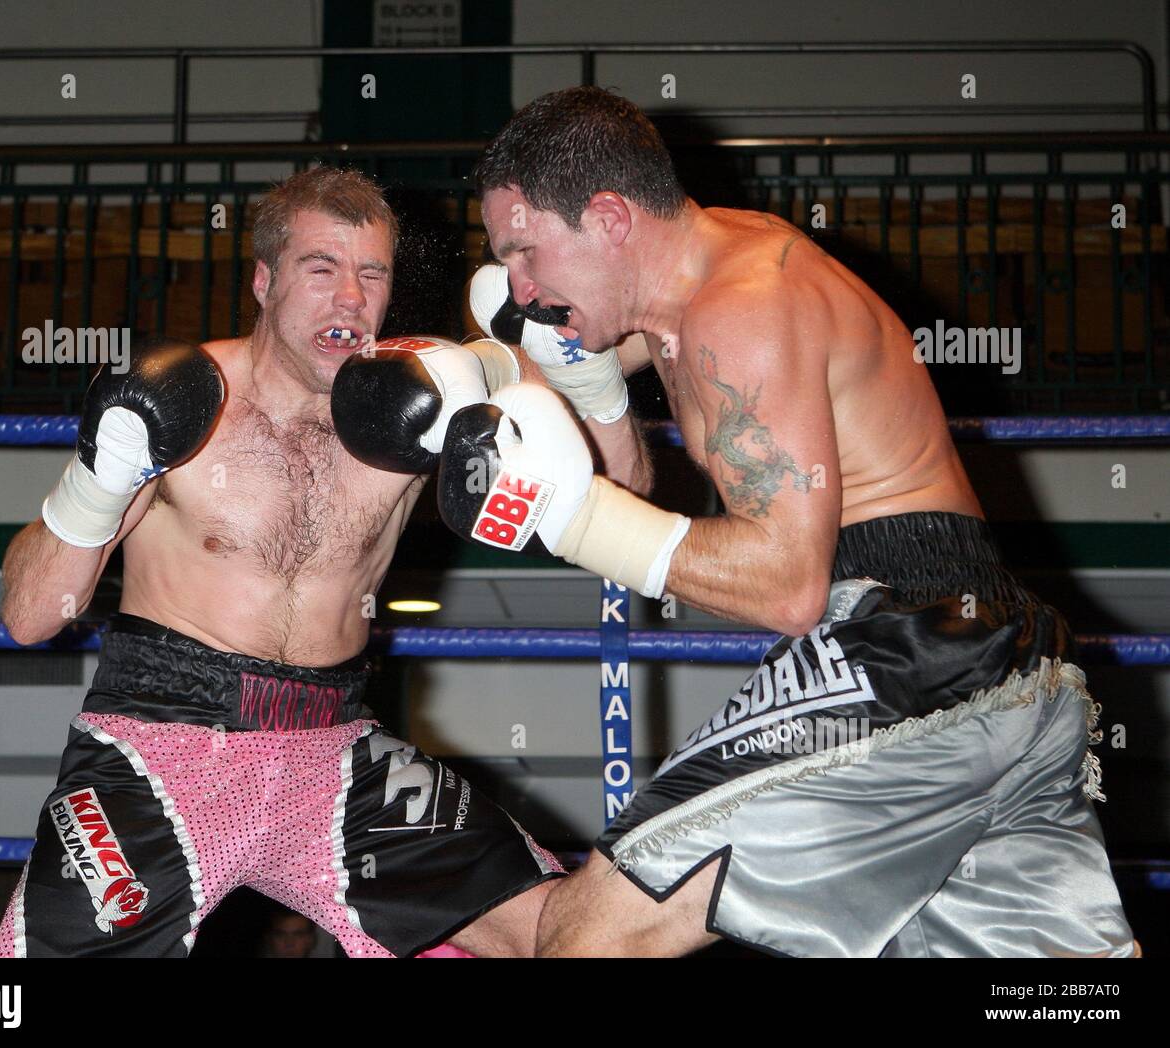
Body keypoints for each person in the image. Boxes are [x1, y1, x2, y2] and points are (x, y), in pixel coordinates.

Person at [437, 85, 1136, 957]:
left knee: (587, 935)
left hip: (911, 646)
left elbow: (786, 585)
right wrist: (579, 382)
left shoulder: (744, 304)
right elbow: (629, 492)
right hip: (992, 666)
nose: (522, 286)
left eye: (525, 251)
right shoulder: (673, 309)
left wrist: (572, 517)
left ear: (609, 217)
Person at [0, 166, 560, 958]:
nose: (351, 301)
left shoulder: (414, 405)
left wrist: (499, 365)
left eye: (372, 274)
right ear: (264, 281)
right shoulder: (185, 401)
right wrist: (97, 481)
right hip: (161, 738)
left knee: (559, 929)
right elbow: (29, 615)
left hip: (336, 743)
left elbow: (622, 471)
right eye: (320, 270)